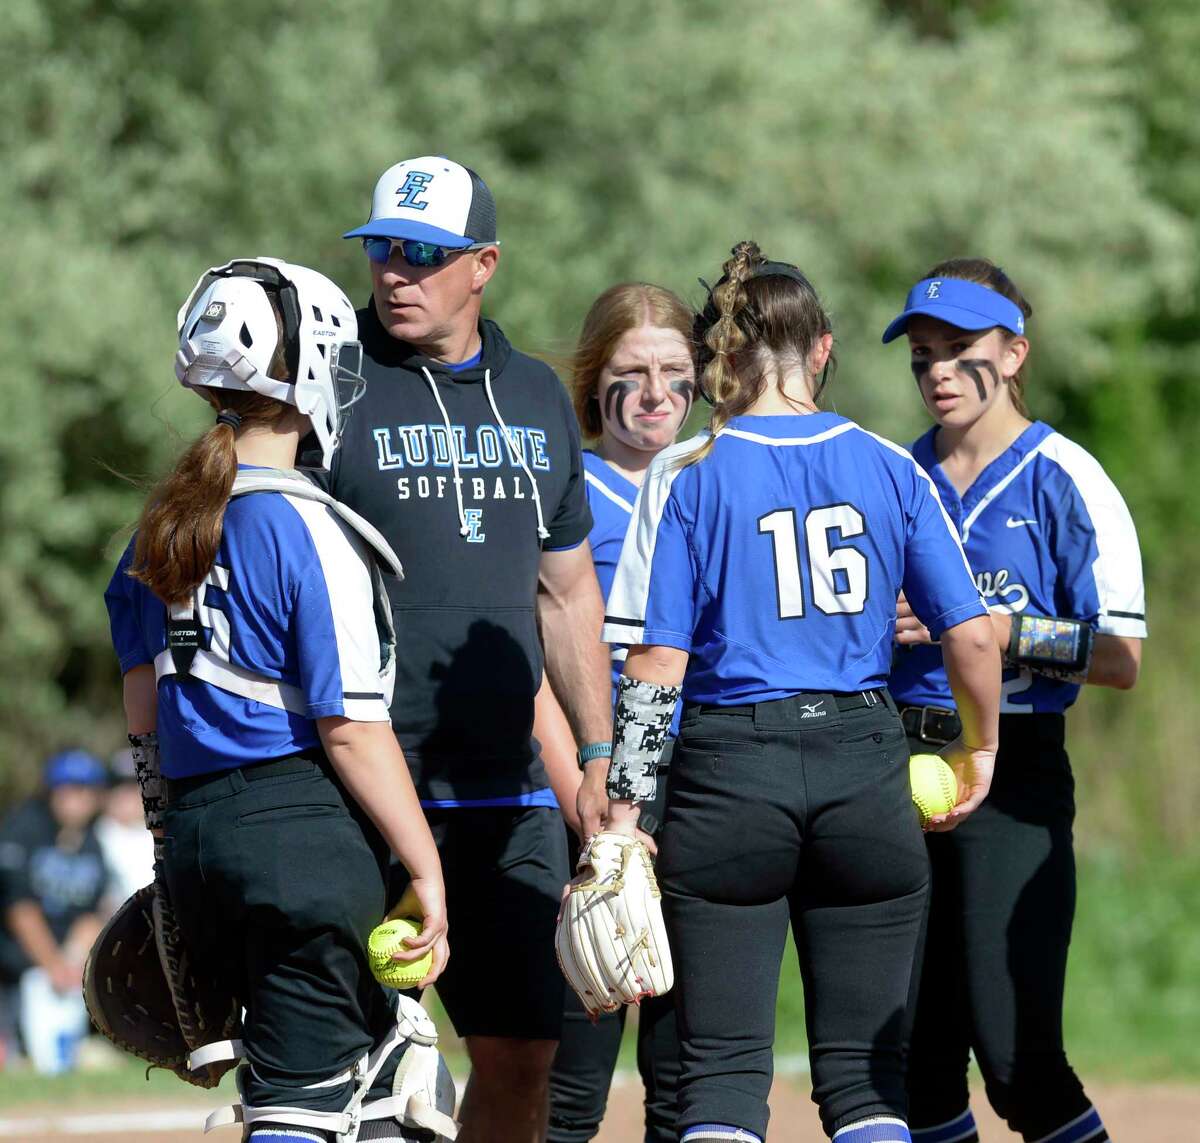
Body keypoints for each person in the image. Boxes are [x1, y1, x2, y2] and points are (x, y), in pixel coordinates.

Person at [597, 241, 1003, 1143]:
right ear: (822, 348)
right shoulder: (892, 466)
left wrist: (623, 815)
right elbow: (971, 633)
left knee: (721, 1077)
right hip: (865, 760)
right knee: (867, 1081)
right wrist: (980, 746)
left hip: (727, 771)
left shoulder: (690, 467)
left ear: (719, 360)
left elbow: (656, 664)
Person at [103, 257, 449, 1143]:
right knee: (308, 1105)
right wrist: (426, 867)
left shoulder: (162, 526)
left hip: (197, 833)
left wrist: (170, 839)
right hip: (300, 829)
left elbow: (144, 711)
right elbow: (351, 730)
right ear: (304, 377)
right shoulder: (307, 522)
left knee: (380, 1088)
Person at [329, 155, 615, 1143]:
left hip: (505, 795)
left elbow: (568, 588)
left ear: (483, 263)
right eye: (382, 252)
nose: (395, 274)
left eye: (423, 255)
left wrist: (599, 756)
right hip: (356, 778)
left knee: (523, 1055)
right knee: (339, 1071)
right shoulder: (332, 383)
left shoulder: (536, 397)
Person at [883, 259, 1146, 1143]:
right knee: (913, 1065)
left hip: (1017, 772)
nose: (938, 373)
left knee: (1018, 1061)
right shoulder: (893, 476)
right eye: (922, 355)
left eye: (961, 350)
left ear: (1016, 352)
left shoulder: (1067, 479)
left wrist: (1001, 628)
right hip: (898, 764)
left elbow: (1122, 655)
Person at [535, 283, 695, 1143]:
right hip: (588, 786)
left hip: (703, 785)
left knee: (683, 1071)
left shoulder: (717, 471)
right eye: (630, 372)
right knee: (574, 1071)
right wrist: (585, 795)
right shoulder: (569, 487)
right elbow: (534, 659)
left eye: (676, 369)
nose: (655, 392)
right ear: (595, 385)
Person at [0, 749, 111, 1073]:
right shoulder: (24, 827)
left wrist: (71, 960)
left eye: (83, 790)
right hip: (13, 964)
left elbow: (92, 912)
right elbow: (19, 909)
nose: (74, 799)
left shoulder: (92, 840)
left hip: (59, 965)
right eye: (66, 789)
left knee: (56, 1058)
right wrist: (53, 964)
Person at [95, 748, 155, 903]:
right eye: (119, 784)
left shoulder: (160, 835)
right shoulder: (95, 835)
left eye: (136, 785)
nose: (127, 794)